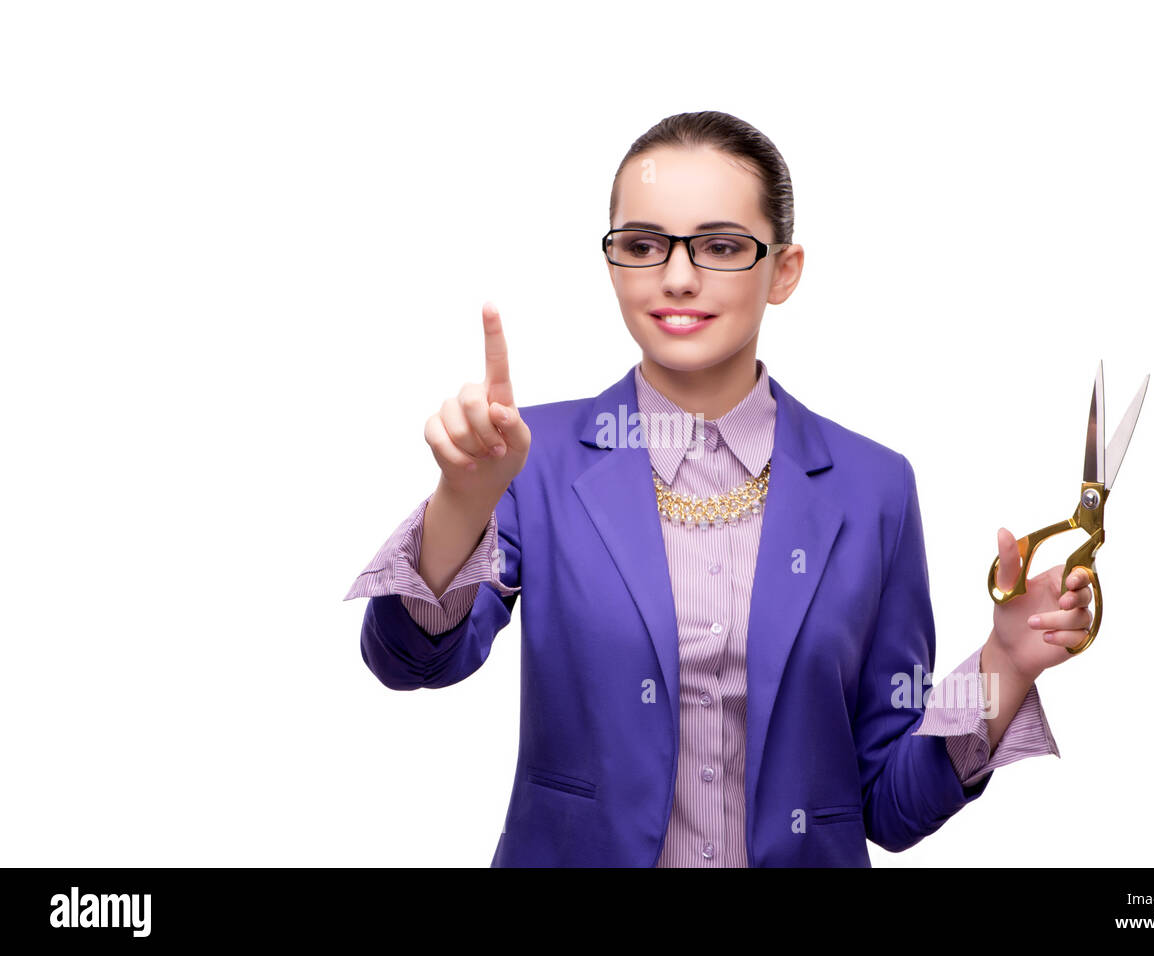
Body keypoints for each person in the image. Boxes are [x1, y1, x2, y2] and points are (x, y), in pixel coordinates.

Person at [343, 110, 1091, 867]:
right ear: (612, 264)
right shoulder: (528, 457)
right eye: (642, 245)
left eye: (721, 246)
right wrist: (461, 505)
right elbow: (412, 662)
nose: (676, 276)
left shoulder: (875, 489)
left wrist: (1003, 663)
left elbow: (889, 800)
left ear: (785, 270)